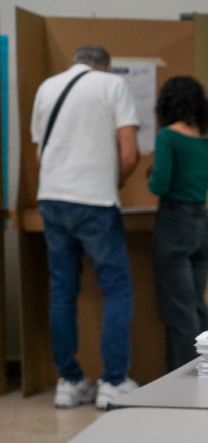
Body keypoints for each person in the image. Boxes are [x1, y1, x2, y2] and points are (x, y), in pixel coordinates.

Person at [31, 45, 141, 409]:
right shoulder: (112, 85)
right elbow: (129, 153)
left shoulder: (47, 87)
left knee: (62, 289)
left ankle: (70, 380)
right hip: (94, 200)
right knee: (116, 287)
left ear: (75, 62)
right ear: (106, 66)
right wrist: (116, 182)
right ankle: (113, 381)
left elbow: (40, 152)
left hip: (52, 197)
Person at [148, 76, 208, 371]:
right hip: (203, 224)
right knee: (197, 306)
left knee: (179, 310)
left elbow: (159, 184)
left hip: (175, 224)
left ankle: (183, 378)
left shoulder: (168, 137)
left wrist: (150, 173)